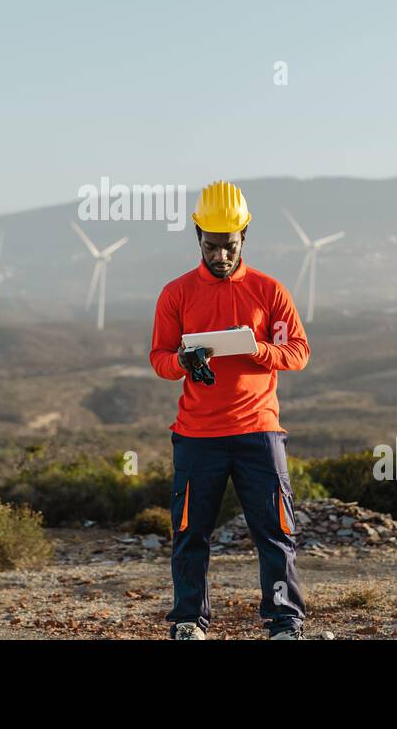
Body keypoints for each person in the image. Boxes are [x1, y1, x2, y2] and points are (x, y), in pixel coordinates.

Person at [149, 180, 312, 640]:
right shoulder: (176, 293)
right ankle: (188, 621)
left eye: (229, 246)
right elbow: (158, 358)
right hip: (197, 436)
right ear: (197, 235)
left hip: (259, 432)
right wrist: (182, 362)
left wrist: (255, 348)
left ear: (244, 236)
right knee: (190, 534)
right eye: (211, 245)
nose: (220, 255)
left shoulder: (269, 290)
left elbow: (298, 352)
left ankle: (284, 621)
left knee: (275, 532)